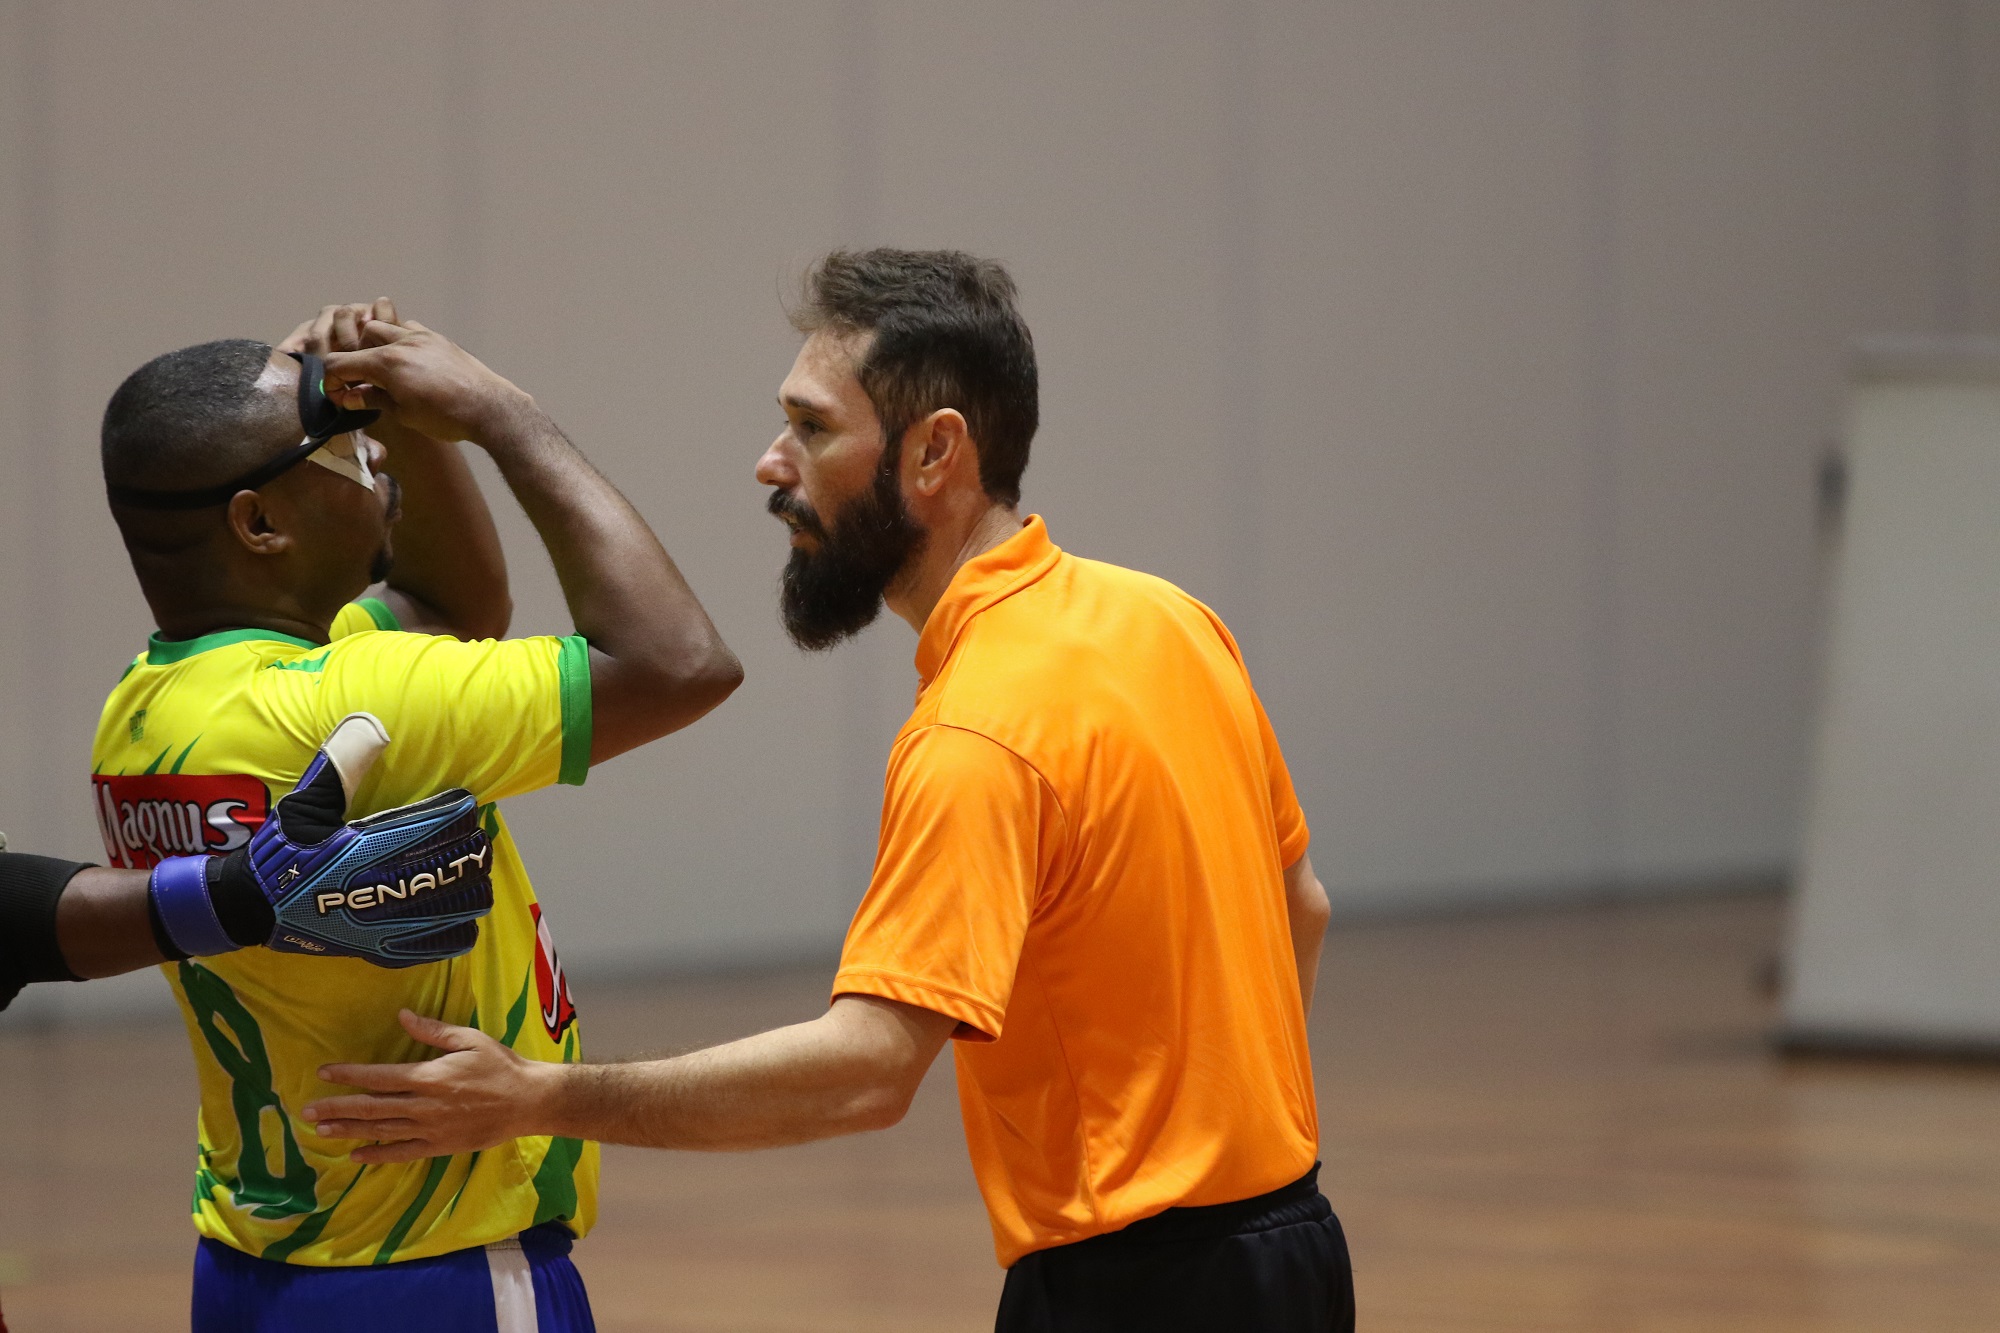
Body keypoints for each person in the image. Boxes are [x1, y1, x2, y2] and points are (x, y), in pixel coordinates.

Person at [305, 252, 1356, 1331]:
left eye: (811, 428)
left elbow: (863, 1073)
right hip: (1296, 1244)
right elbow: (1301, 906)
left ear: (935, 450)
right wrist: (1222, 1142)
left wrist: (539, 1096)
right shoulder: (1170, 619)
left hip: (1139, 1292)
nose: (771, 464)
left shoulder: (978, 729)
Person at [90, 299, 740, 1331]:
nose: (372, 463)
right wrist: (502, 416)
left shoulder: (148, 705)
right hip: (431, 1269)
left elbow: (457, 610)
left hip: (253, 1270)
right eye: (341, 449)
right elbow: (679, 664)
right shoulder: (352, 699)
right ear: (260, 522)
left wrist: (395, 420)